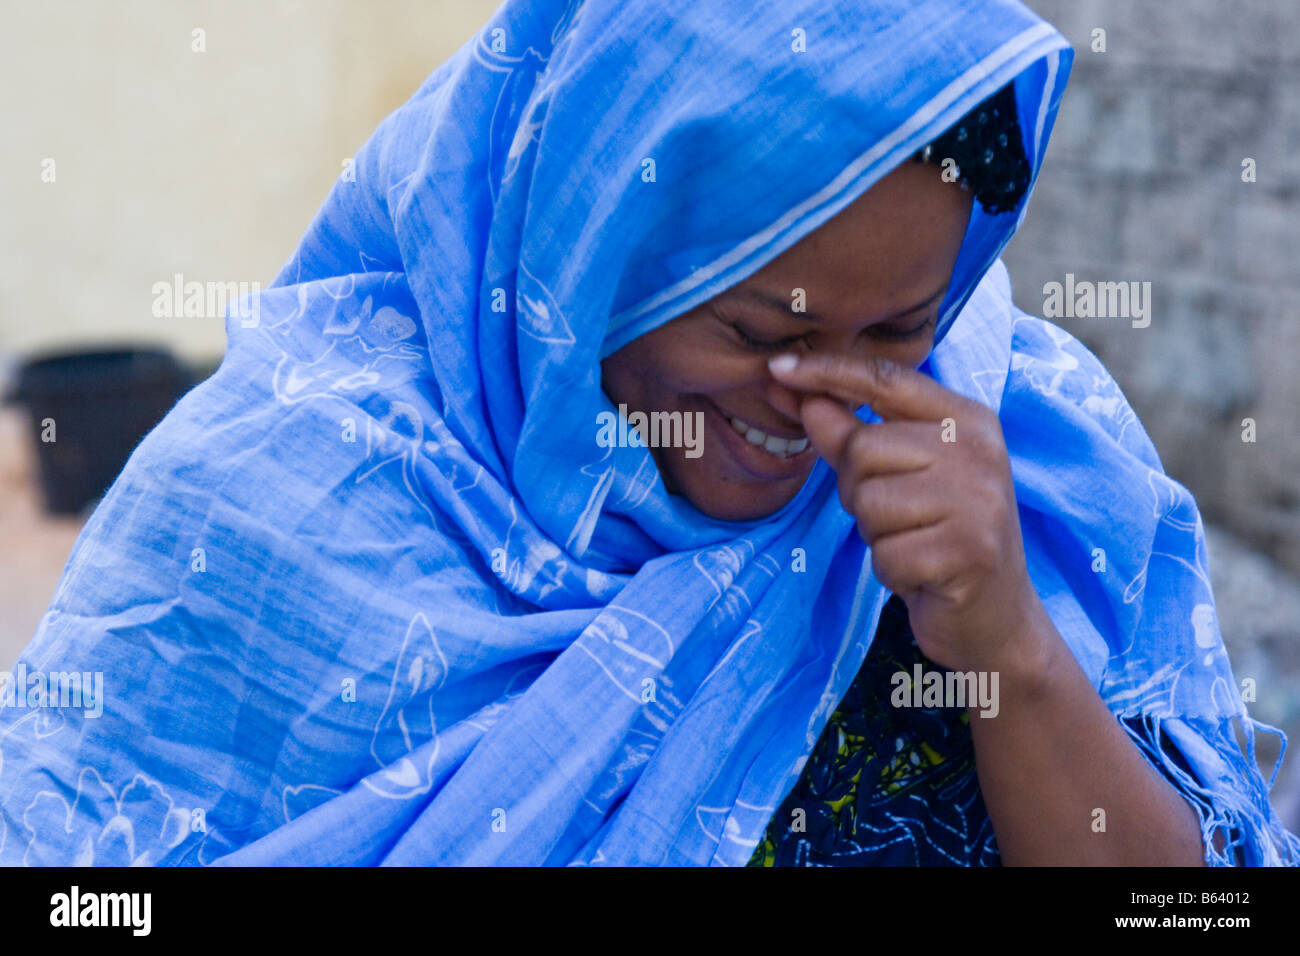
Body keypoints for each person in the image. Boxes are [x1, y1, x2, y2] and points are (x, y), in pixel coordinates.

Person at [1, 0, 1297, 867]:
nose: (825, 397)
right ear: (582, 265)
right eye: (755, 332)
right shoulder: (285, 506)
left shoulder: (1023, 452)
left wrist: (1008, 644)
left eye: (900, 330)